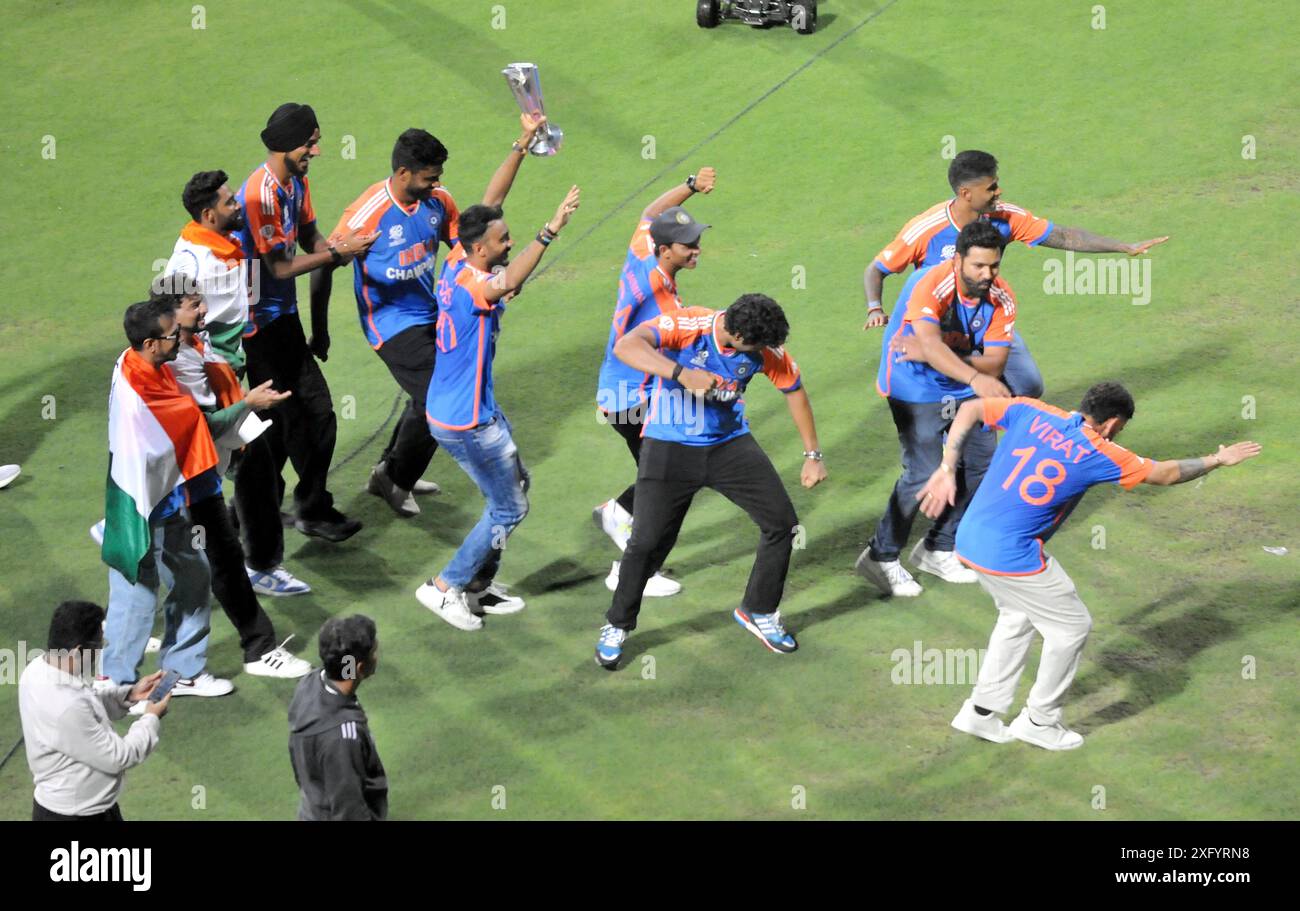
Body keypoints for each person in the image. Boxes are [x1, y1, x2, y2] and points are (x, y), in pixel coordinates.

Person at [918, 383, 1261, 750]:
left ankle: (981, 713)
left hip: (969, 540)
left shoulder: (1032, 411)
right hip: (1011, 554)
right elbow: (1165, 474)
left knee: (1018, 615)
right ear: (1112, 423)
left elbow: (971, 409)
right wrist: (1216, 460)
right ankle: (1040, 720)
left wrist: (946, 467)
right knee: (1071, 626)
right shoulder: (1099, 452)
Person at [594, 293, 828, 670]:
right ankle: (616, 625)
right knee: (645, 543)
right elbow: (627, 345)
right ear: (733, 333)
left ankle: (758, 611)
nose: (767, 352)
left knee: (782, 525)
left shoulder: (766, 347)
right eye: (757, 346)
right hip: (669, 446)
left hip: (729, 446)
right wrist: (682, 373)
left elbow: (794, 390)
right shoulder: (688, 325)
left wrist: (813, 455)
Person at [331, 115, 547, 517]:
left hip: (433, 310)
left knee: (432, 395)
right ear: (402, 173)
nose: (438, 184)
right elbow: (326, 263)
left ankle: (391, 472)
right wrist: (320, 330)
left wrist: (521, 144)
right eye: (430, 177)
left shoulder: (437, 202)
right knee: (438, 398)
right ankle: (395, 478)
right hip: (390, 323)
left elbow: (482, 220)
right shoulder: (367, 215)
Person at [862, 149, 1168, 397]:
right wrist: (875, 307)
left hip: (986, 316)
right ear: (966, 193)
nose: (999, 190)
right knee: (948, 389)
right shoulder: (926, 229)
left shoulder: (1006, 216)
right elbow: (876, 269)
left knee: (1029, 385)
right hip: (940, 326)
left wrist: (1123, 246)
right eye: (991, 186)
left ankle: (994, 422)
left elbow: (1064, 236)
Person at [417, 184, 582, 630]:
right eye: (503, 238)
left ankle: (476, 585)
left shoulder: (454, 263)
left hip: (467, 410)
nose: (510, 242)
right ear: (478, 247)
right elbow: (507, 282)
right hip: (466, 422)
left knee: (515, 489)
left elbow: (490, 206)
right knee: (509, 508)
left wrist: (521, 148)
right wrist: (550, 230)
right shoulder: (476, 285)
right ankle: (444, 586)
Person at [236, 102, 377, 542]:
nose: (315, 151)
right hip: (259, 331)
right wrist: (337, 253)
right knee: (314, 417)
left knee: (281, 426)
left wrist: (338, 248)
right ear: (286, 144)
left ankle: (252, 509)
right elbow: (279, 268)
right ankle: (306, 509)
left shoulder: (294, 183)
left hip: (285, 322)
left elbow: (311, 239)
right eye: (310, 142)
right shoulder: (259, 196)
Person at [166, 169, 310, 596]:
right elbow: (170, 324)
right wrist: (213, 379)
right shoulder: (192, 263)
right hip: (206, 381)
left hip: (224, 372)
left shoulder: (218, 244)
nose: (237, 206)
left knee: (229, 469)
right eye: (230, 202)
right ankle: (259, 565)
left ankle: (249, 558)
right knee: (230, 468)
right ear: (209, 214)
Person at [160, 283, 311, 679]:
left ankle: (142, 639)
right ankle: (251, 651)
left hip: (198, 472)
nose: (204, 310)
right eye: (194, 306)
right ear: (170, 317)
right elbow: (202, 427)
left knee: (197, 562)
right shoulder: (174, 364)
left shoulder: (193, 343)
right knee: (216, 562)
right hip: (184, 479)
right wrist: (247, 404)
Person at [856, 221, 1013, 598]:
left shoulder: (1002, 297)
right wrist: (966, 371)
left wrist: (943, 356)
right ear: (958, 259)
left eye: (994, 266)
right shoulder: (931, 283)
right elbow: (929, 345)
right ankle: (881, 554)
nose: (987, 275)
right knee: (923, 472)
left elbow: (995, 363)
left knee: (982, 464)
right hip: (914, 387)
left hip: (960, 386)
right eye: (978, 266)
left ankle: (938, 546)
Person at [592, 169, 717, 598]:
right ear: (667, 251)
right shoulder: (658, 296)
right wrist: (687, 374)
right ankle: (630, 572)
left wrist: (689, 186)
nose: (698, 248)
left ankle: (619, 513)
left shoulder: (644, 250)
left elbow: (650, 212)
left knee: (666, 473)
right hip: (634, 399)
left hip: (620, 393)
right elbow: (637, 344)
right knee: (669, 479)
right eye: (690, 245)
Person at [100, 299, 234, 699]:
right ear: (151, 343)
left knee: (194, 575)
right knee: (137, 592)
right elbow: (201, 424)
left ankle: (182, 671)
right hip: (141, 505)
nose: (180, 337)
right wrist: (249, 406)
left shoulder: (135, 360)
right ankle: (119, 684)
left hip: (162, 496)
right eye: (172, 334)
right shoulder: (141, 389)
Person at [20, 601, 170, 821]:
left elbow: (85, 707)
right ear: (79, 651)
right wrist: (151, 716)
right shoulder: (65, 705)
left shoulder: (38, 669)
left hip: (79, 810)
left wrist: (128, 695)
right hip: (78, 818)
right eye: (99, 645)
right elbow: (120, 756)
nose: (101, 650)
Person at [288, 615, 387, 821]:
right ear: (358, 668)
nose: (376, 656)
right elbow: (349, 810)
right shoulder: (341, 735)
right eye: (373, 651)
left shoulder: (310, 683)